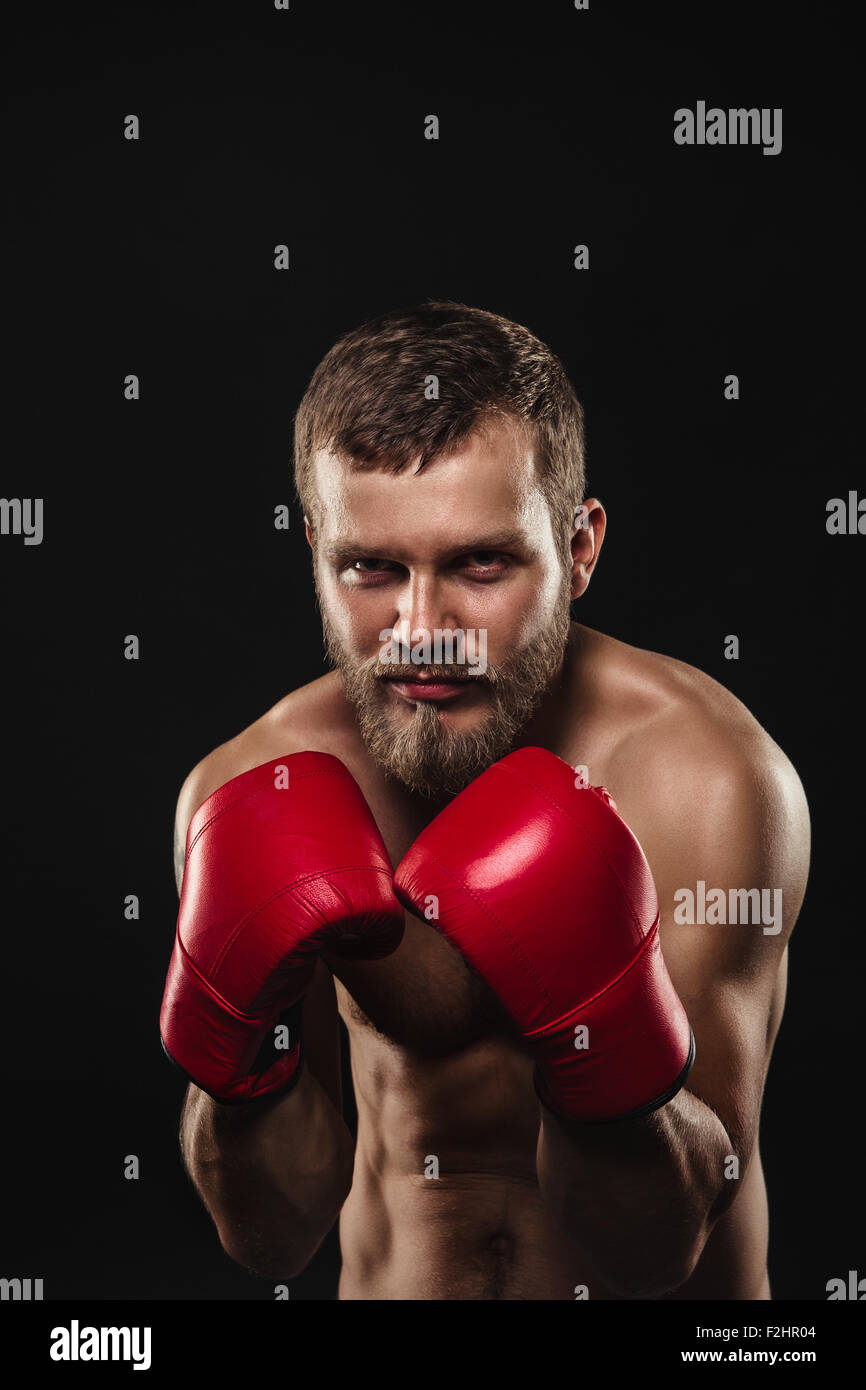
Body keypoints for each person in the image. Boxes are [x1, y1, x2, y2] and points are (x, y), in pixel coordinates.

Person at [160, 301, 810, 1300]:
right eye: (372, 568)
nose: (424, 631)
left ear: (578, 548)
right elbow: (272, 1234)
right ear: (314, 553)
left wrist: (612, 1044)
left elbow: (654, 1250)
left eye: (480, 562)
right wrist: (237, 1067)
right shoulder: (253, 787)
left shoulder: (707, 780)